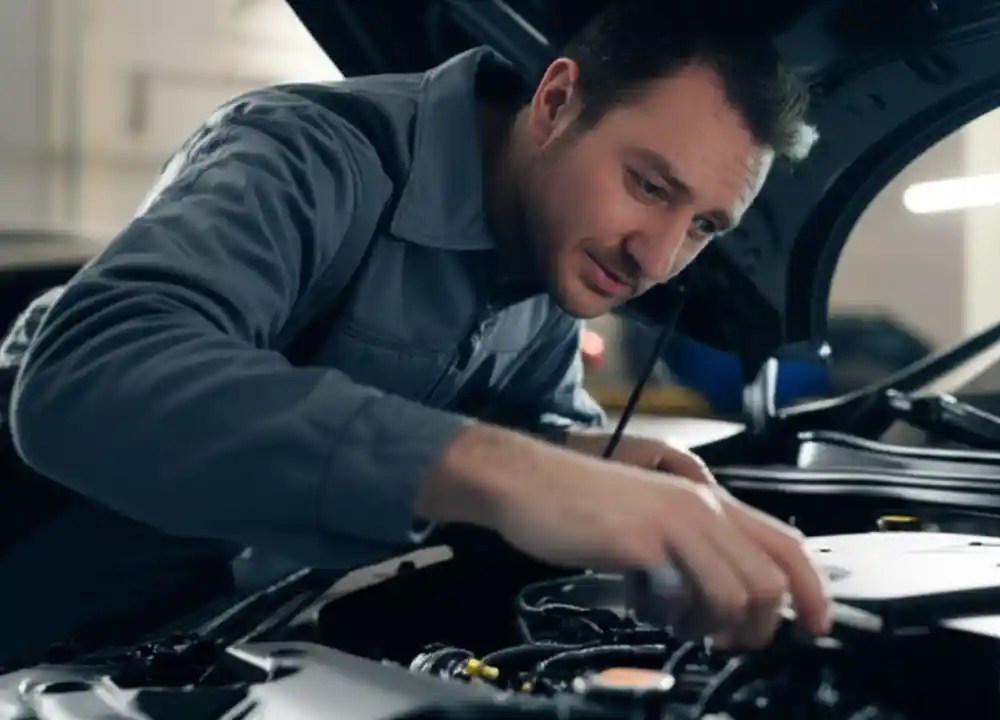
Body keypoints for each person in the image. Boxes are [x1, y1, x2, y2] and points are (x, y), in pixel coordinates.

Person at [0, 0, 830, 664]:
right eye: (649, 185)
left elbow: (515, 440)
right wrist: (514, 474)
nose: (656, 257)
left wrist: (585, 466)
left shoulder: (557, 257)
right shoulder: (309, 154)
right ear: (554, 102)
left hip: (219, 648)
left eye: (703, 228)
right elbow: (88, 374)